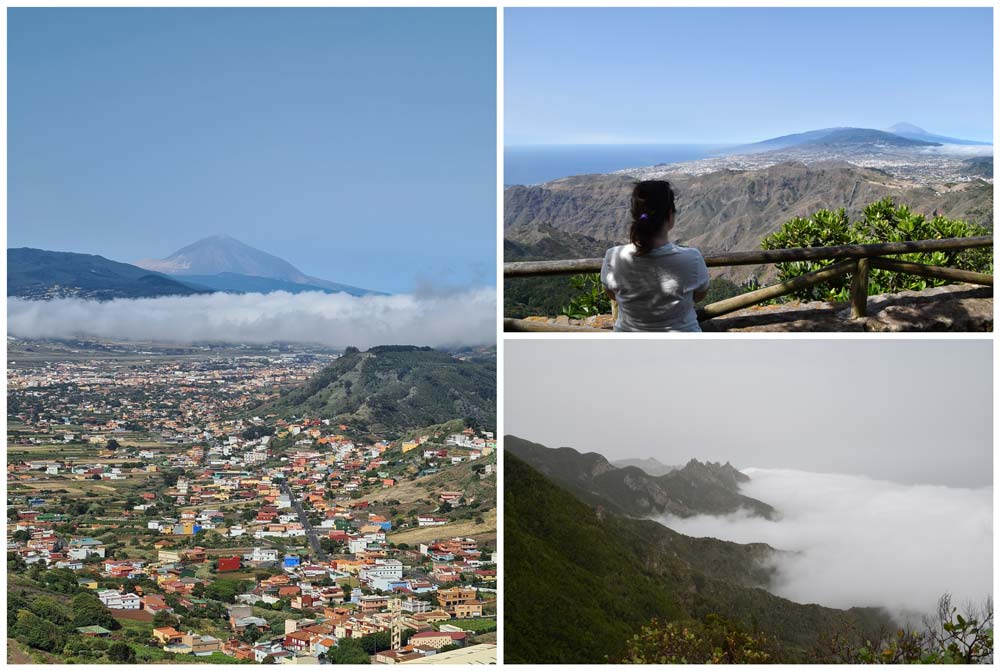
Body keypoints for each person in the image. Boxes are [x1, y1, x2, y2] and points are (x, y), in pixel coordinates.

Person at [600, 180, 709, 331]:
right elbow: (699, 295)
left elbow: (612, 294)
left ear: (634, 215)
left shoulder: (613, 257)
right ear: (670, 216)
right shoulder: (692, 258)